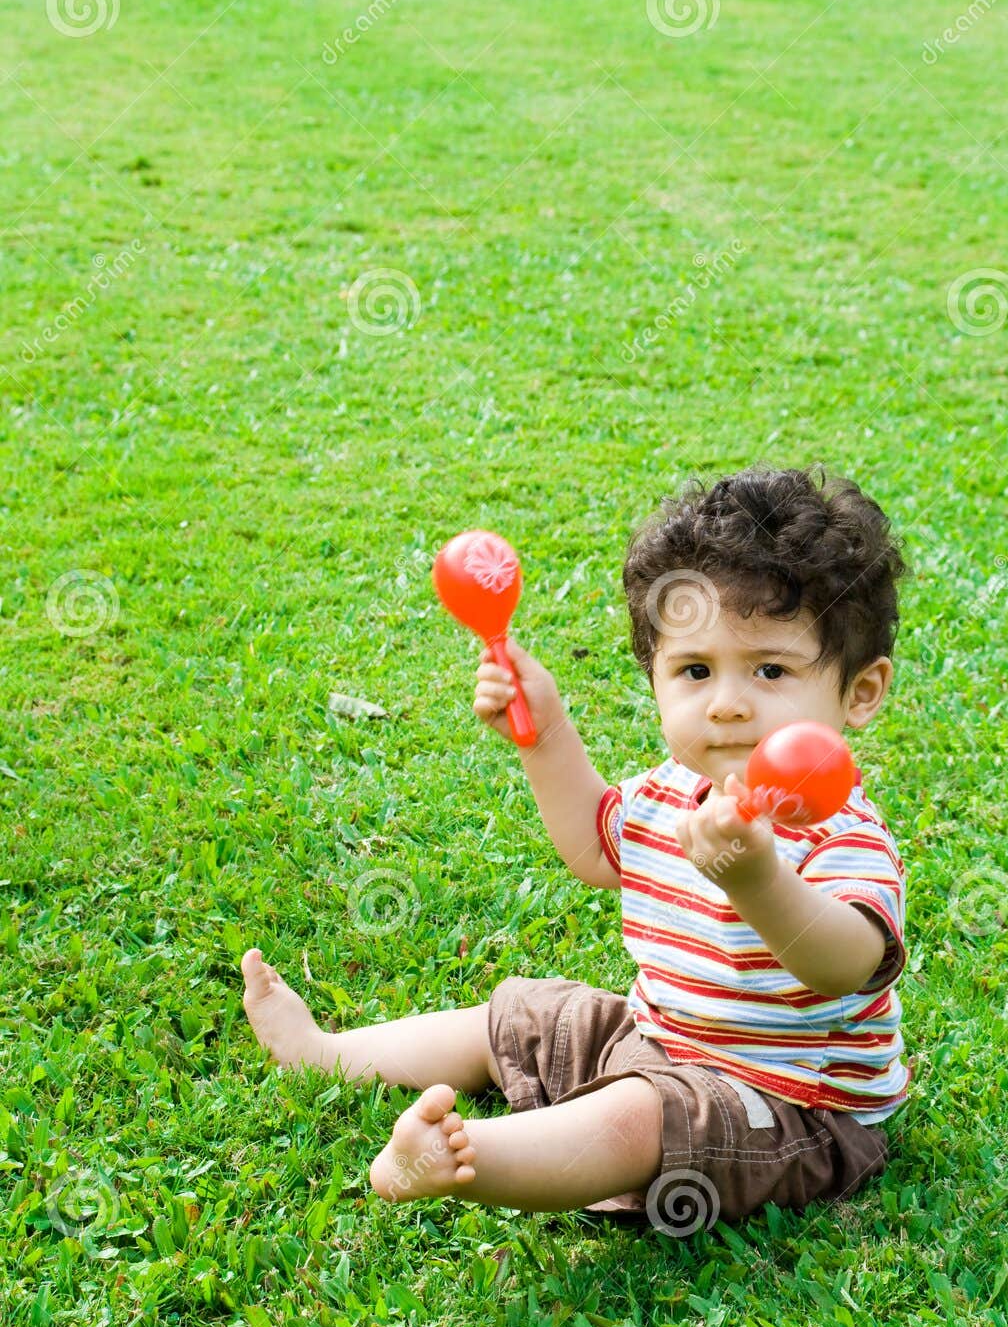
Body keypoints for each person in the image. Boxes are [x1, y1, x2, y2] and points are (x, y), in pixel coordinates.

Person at [240, 465, 910, 1234]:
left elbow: (842, 962)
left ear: (859, 692)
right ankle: (323, 1052)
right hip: (658, 1035)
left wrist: (755, 876)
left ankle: (468, 1159)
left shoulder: (839, 833)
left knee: (637, 1118)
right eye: (694, 670)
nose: (726, 701)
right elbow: (595, 845)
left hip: (791, 1107)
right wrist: (546, 732)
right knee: (523, 1015)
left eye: (769, 669)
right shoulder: (668, 791)